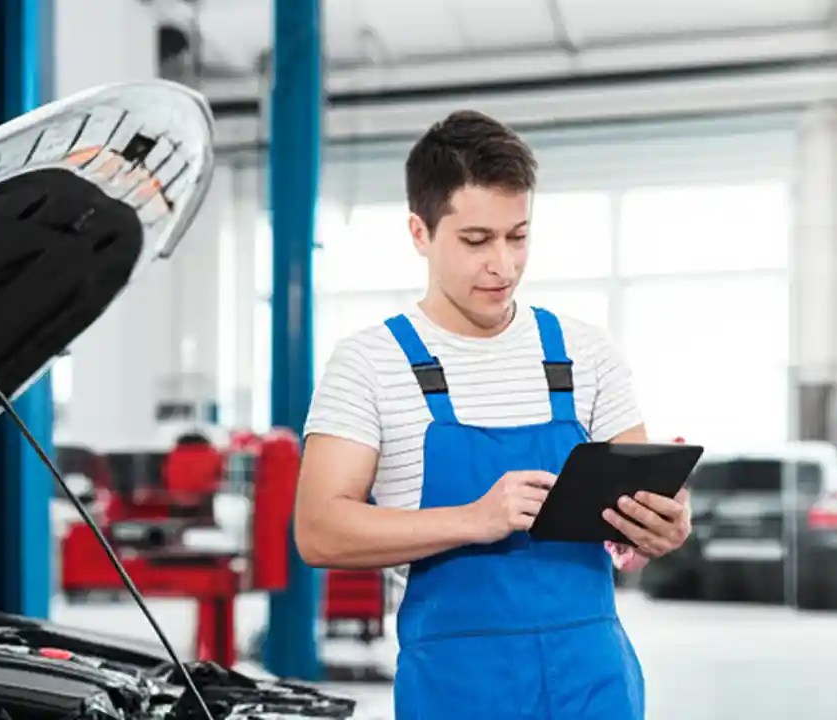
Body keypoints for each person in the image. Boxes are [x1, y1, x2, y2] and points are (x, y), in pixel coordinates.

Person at [293, 110, 692, 719]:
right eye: (476, 240)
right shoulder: (368, 364)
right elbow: (318, 531)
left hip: (594, 683)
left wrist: (658, 529)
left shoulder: (587, 354)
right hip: (460, 691)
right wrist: (473, 519)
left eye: (519, 236)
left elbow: (628, 535)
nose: (502, 265)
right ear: (420, 233)